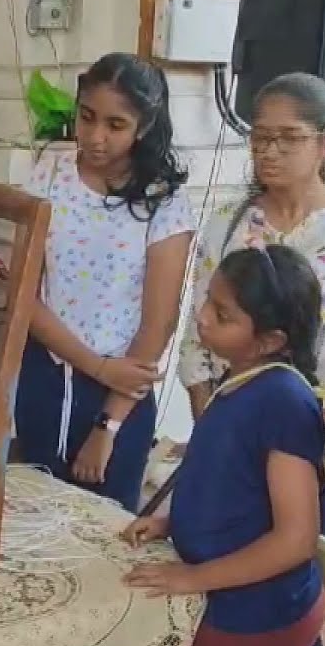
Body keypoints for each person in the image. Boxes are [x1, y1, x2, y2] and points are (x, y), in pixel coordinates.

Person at [177, 72, 325, 646]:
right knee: (228, 554)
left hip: (310, 423)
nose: (269, 152)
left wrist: (292, 413)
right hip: (230, 415)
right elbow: (199, 325)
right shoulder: (229, 221)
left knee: (292, 573)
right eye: (260, 137)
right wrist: (211, 415)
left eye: (287, 138)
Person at [123, 244, 325, 646]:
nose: (201, 317)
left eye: (222, 314)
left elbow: (296, 540)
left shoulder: (282, 400)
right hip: (231, 596)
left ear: (270, 341)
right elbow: (232, 485)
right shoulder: (240, 377)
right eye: (207, 301)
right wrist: (172, 523)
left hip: (255, 614)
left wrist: (193, 577)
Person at [13, 53, 194, 513]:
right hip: (46, 375)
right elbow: (24, 295)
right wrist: (95, 365)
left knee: (103, 531)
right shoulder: (49, 173)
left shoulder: (163, 201)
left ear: (144, 126)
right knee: (34, 520)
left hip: (120, 394)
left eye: (115, 125)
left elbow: (158, 324)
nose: (95, 137)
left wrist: (107, 426)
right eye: (87, 117)